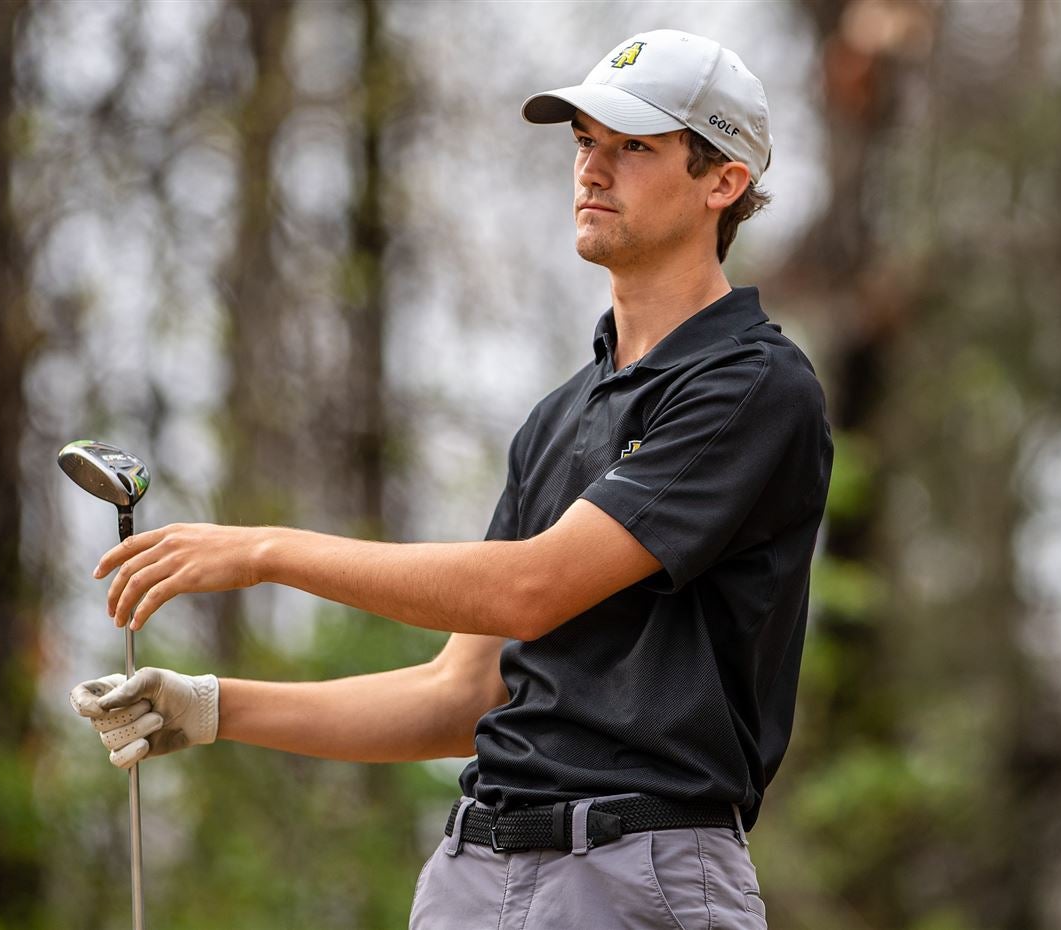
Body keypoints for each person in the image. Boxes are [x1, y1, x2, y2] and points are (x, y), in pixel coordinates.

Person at [70, 29, 832, 929]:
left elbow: (531, 589)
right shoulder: (558, 417)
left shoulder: (753, 384)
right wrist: (208, 707)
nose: (592, 170)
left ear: (723, 182)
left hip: (640, 873)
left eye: (634, 146)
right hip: (473, 872)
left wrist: (267, 551)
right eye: (585, 141)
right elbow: (462, 693)